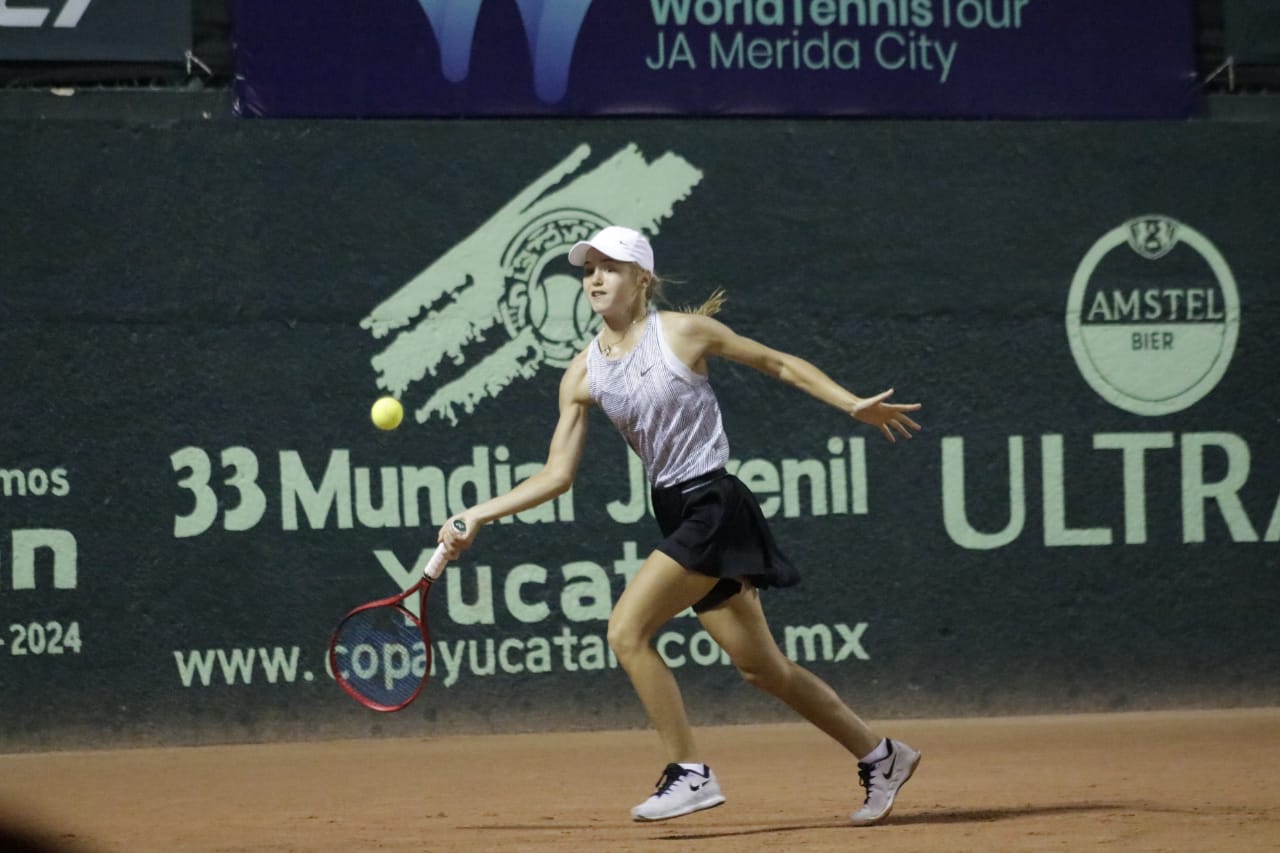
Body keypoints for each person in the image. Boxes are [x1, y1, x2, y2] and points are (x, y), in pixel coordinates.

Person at [437, 225, 923, 825]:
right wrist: (477, 513)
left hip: (714, 502)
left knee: (625, 632)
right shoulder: (582, 372)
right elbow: (556, 475)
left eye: (610, 267)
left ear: (642, 277)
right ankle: (882, 756)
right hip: (675, 508)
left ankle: (688, 771)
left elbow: (777, 363)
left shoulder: (683, 333)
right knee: (762, 669)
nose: (594, 278)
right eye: (588, 269)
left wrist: (851, 404)